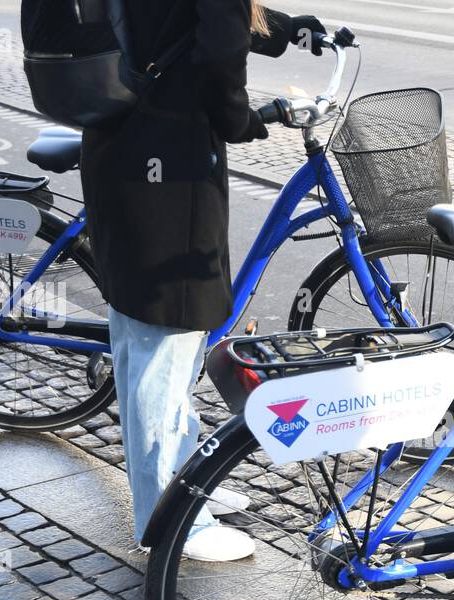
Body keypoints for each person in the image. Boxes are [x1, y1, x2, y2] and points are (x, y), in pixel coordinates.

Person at [81, 1, 324, 561]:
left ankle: (181, 485)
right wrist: (244, 121)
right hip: (170, 165)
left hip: (125, 143)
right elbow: (218, 45)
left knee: (148, 338)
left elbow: (187, 21)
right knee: (164, 344)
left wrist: (288, 30)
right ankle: (173, 522)